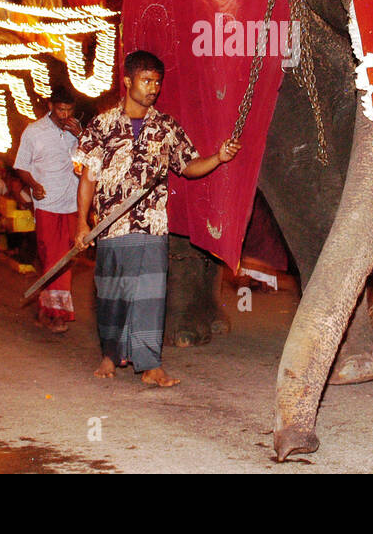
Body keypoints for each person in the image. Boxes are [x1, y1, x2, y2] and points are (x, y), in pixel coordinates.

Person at [73, 50, 240, 386]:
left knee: (150, 294)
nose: (153, 88)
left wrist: (218, 158)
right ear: (127, 81)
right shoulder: (102, 125)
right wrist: (82, 223)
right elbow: (88, 177)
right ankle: (109, 355)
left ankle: (150, 365)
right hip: (110, 226)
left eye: (157, 82)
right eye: (146, 81)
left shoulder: (166, 127)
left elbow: (188, 167)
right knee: (111, 292)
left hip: (152, 226)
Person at [15, 85, 82, 333]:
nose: (65, 115)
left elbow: (90, 160)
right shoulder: (34, 132)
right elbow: (21, 165)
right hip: (47, 203)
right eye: (61, 110)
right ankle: (56, 312)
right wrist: (33, 184)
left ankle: (50, 310)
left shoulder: (76, 130)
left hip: (73, 203)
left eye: (69, 110)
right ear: (50, 107)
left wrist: (82, 136)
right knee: (53, 257)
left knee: (65, 259)